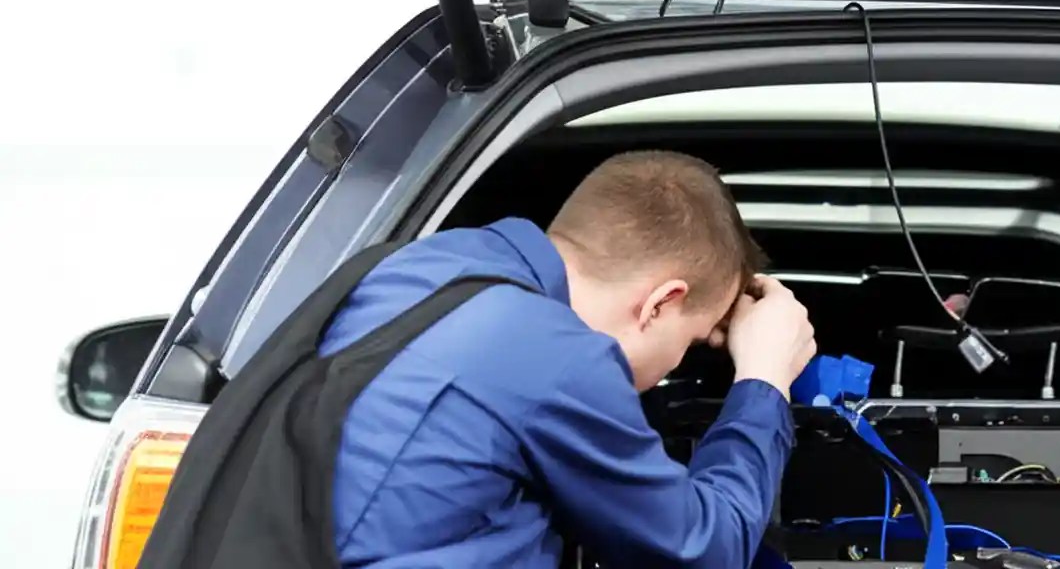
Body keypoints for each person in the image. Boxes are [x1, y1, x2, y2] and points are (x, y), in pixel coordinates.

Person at [319, 149, 816, 568]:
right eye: (687, 344)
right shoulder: (559, 359)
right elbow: (706, 553)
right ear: (661, 302)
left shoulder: (424, 265)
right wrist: (764, 377)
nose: (675, 367)